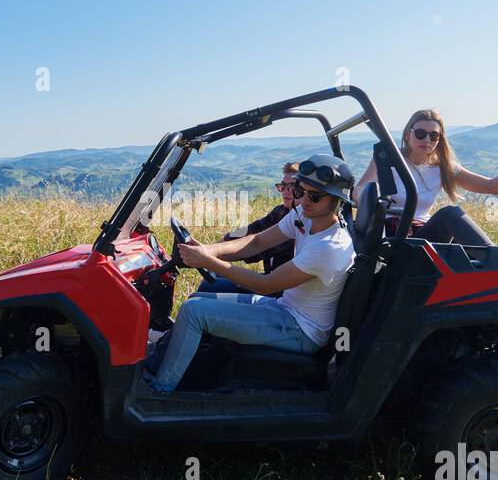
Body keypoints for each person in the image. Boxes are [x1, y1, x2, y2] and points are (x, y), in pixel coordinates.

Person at [145, 155, 357, 393]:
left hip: (300, 330)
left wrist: (208, 261)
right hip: (285, 310)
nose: (304, 200)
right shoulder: (304, 219)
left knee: (193, 313)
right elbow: (257, 242)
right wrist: (206, 250)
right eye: (300, 191)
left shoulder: (329, 247)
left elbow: (265, 285)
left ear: (336, 201)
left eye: (314, 196)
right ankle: (164, 364)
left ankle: (158, 391)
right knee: (196, 300)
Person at [354, 109, 498, 245]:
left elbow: (493, 187)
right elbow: (360, 190)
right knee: (449, 213)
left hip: (423, 235)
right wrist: (375, 199)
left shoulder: (444, 167)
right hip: (395, 236)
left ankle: (497, 262)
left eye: (433, 136)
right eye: (420, 133)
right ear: (408, 135)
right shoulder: (388, 158)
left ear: (439, 139)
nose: (426, 140)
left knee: (453, 222)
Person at [195, 162, 301, 296]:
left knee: (208, 288)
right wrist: (213, 246)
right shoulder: (281, 211)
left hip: (281, 292)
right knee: (212, 281)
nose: (286, 191)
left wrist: (207, 256)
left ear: (302, 189)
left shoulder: (299, 223)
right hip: (270, 282)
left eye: (291, 186)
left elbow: (256, 249)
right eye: (283, 186)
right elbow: (252, 229)